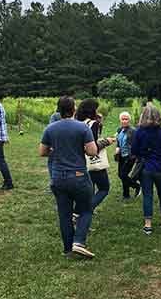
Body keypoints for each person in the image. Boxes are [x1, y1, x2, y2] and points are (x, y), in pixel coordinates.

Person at [39, 96, 98, 259]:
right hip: (78, 175)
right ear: (73, 110)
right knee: (86, 209)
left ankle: (67, 249)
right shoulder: (82, 128)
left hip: (58, 177)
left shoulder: (50, 129)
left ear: (58, 109)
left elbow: (42, 152)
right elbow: (92, 151)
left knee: (64, 214)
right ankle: (78, 242)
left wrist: (57, 151)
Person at [131, 102, 161, 235]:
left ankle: (148, 224)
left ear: (143, 116)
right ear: (158, 116)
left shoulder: (139, 132)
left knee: (147, 195)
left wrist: (144, 154)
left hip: (146, 168)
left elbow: (134, 151)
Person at [75, 98, 114, 211]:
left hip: (79, 161)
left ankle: (81, 213)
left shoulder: (77, 122)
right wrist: (107, 141)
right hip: (93, 161)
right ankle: (84, 210)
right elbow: (93, 145)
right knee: (104, 188)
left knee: (89, 188)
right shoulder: (93, 124)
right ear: (92, 110)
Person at [115, 111, 141, 200]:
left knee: (123, 175)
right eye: (123, 119)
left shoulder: (133, 131)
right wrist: (117, 148)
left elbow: (136, 144)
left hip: (130, 156)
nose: (124, 121)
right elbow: (118, 141)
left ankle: (137, 186)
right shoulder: (119, 130)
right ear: (120, 120)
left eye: (126, 119)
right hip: (121, 155)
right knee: (121, 175)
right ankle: (126, 195)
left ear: (129, 120)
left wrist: (134, 155)